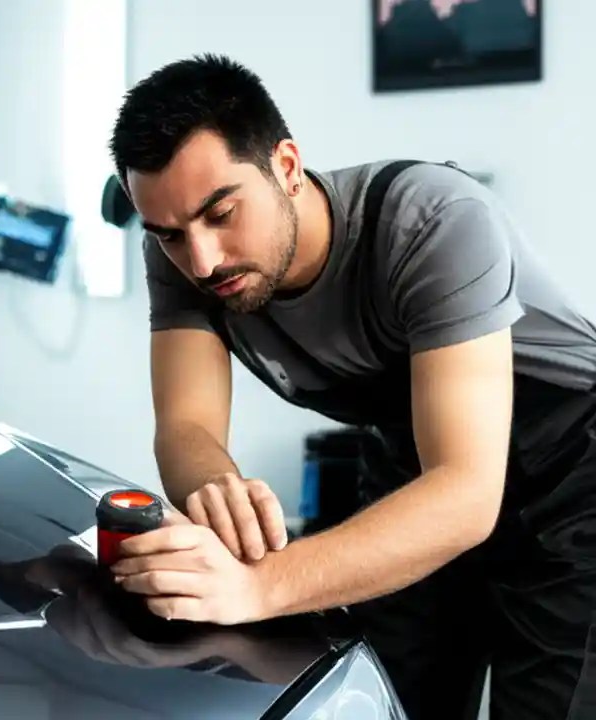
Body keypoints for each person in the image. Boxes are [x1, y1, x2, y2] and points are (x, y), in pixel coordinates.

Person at [105, 53, 596, 719]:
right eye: (169, 234)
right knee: (380, 698)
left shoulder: (433, 221)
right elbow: (186, 429)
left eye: (221, 213)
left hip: (573, 476)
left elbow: (465, 496)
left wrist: (258, 586)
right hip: (411, 463)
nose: (202, 259)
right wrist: (217, 494)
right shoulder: (184, 256)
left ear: (284, 165)